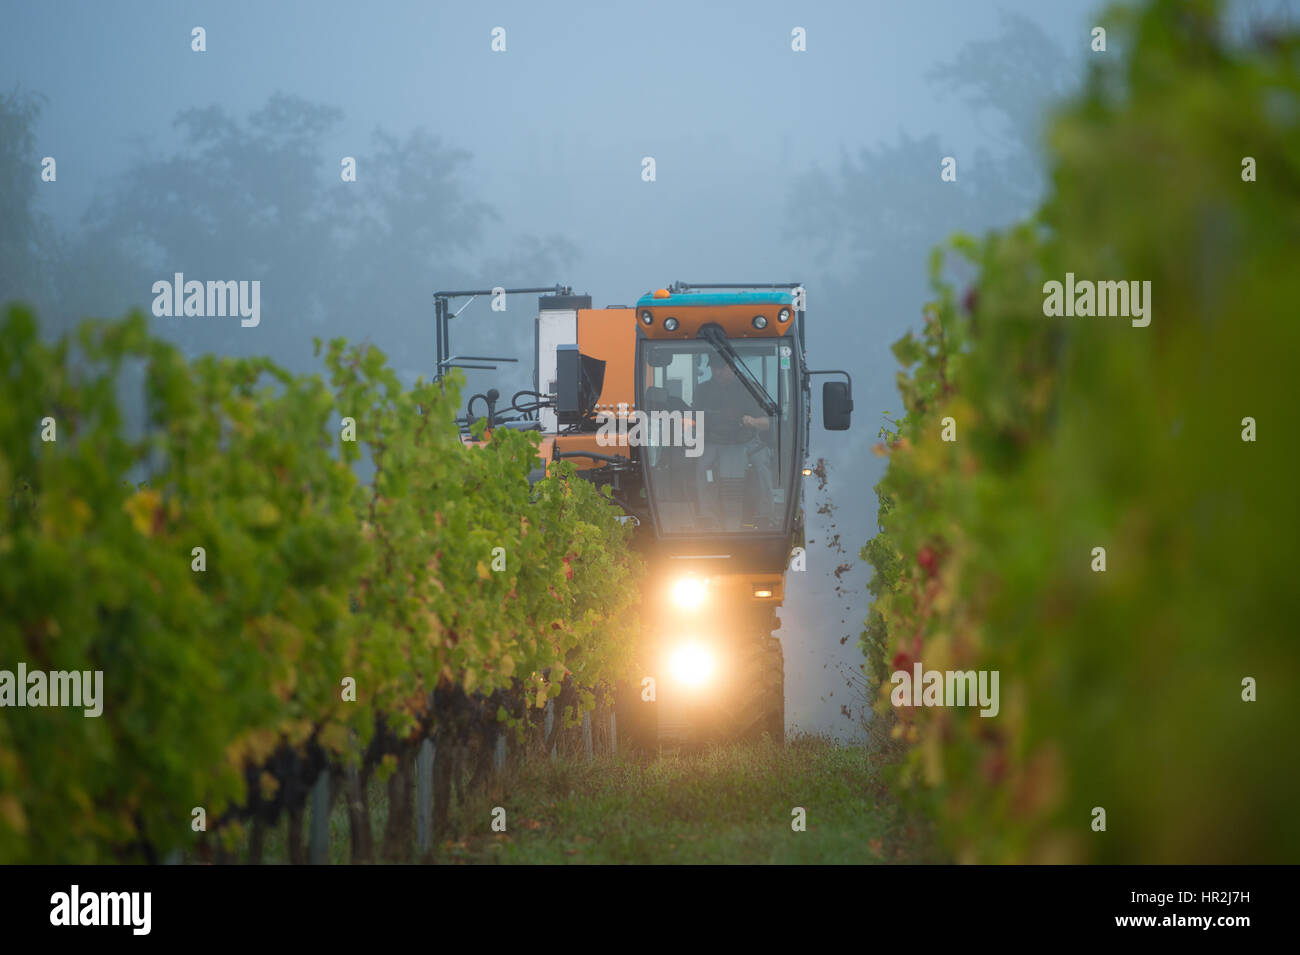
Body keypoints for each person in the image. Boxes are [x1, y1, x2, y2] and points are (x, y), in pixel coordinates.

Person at [691, 351, 777, 529]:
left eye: (721, 368)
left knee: (763, 468)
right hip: (713, 441)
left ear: (731, 367)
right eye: (714, 368)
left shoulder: (750, 388)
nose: (717, 372)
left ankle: (765, 515)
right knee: (702, 467)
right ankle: (708, 518)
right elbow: (694, 417)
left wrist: (752, 421)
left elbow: (768, 422)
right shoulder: (703, 390)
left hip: (746, 440)